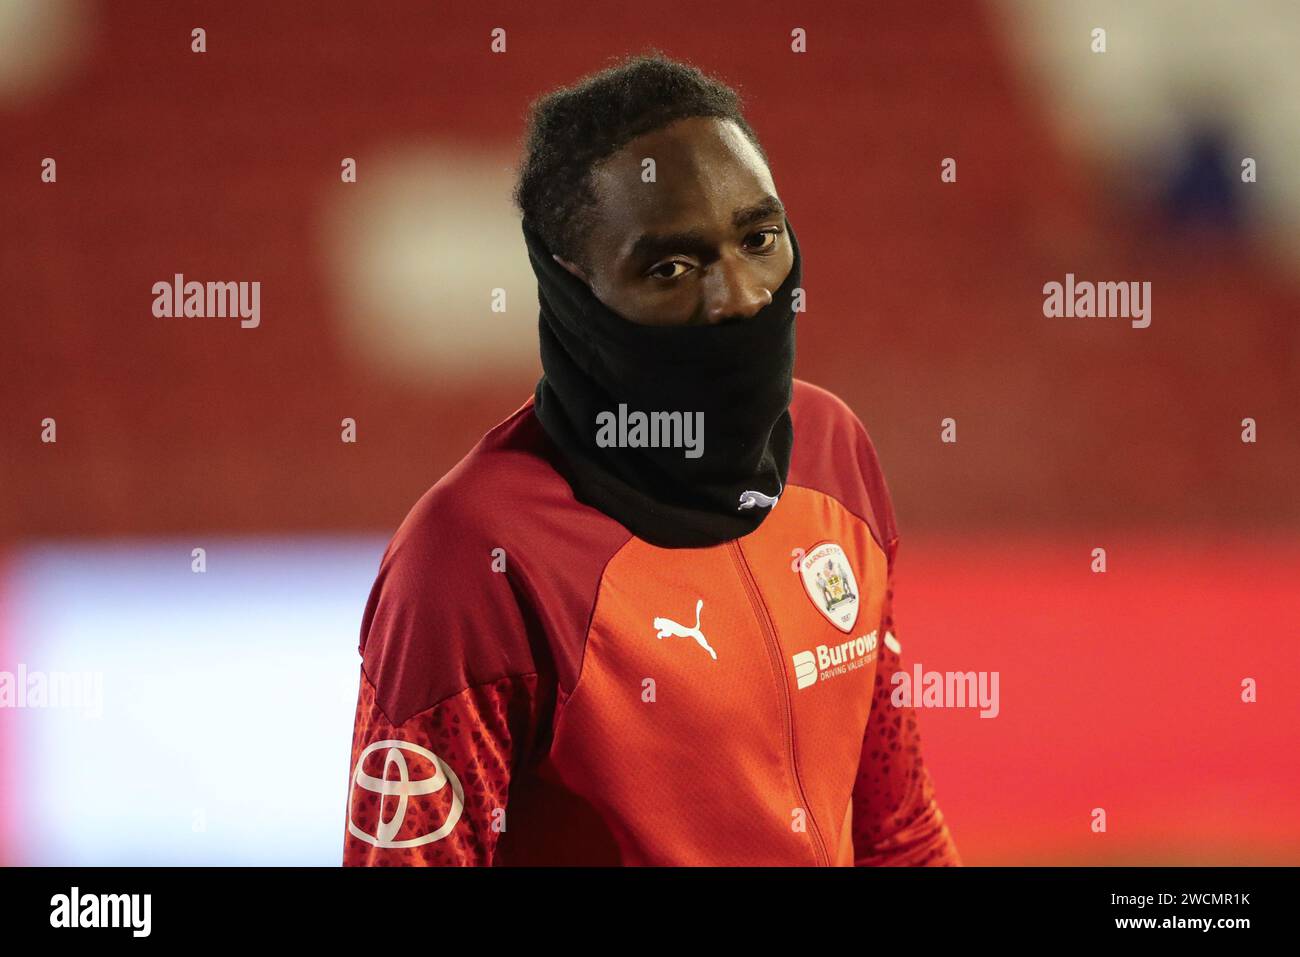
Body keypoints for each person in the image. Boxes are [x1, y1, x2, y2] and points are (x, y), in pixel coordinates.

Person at [342, 51, 961, 866]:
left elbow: (898, 831)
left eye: (759, 237)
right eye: (670, 266)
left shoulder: (832, 450)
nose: (740, 295)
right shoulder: (471, 558)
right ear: (571, 288)